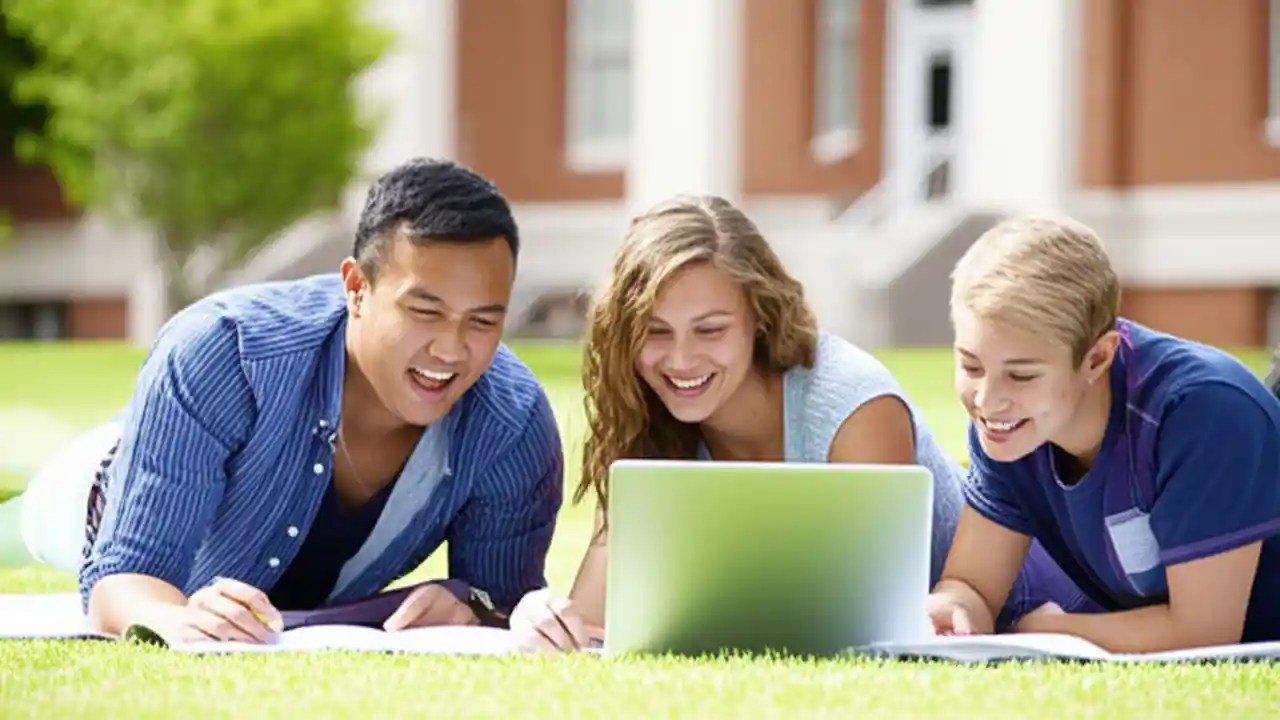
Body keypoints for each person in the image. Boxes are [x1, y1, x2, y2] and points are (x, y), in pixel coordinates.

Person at [0, 158, 564, 644]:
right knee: (17, 525)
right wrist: (170, 616)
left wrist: (469, 607)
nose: (451, 348)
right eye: (425, 311)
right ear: (356, 288)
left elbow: (506, 601)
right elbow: (125, 581)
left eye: (482, 321)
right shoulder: (226, 352)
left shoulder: (511, 422)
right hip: (93, 489)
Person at [508, 194, 1090, 652]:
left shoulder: (852, 404)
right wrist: (544, 618)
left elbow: (867, 618)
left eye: (710, 330)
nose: (680, 360)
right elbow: (594, 619)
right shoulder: (651, 418)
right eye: (655, 333)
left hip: (1027, 610)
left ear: (758, 319)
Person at [928, 215, 1280, 652]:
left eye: (1021, 375)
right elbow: (972, 584)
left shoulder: (1202, 411)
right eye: (971, 366)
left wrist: (1056, 631)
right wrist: (954, 608)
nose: (987, 399)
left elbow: (1203, 634)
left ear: (1097, 359)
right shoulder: (1015, 425)